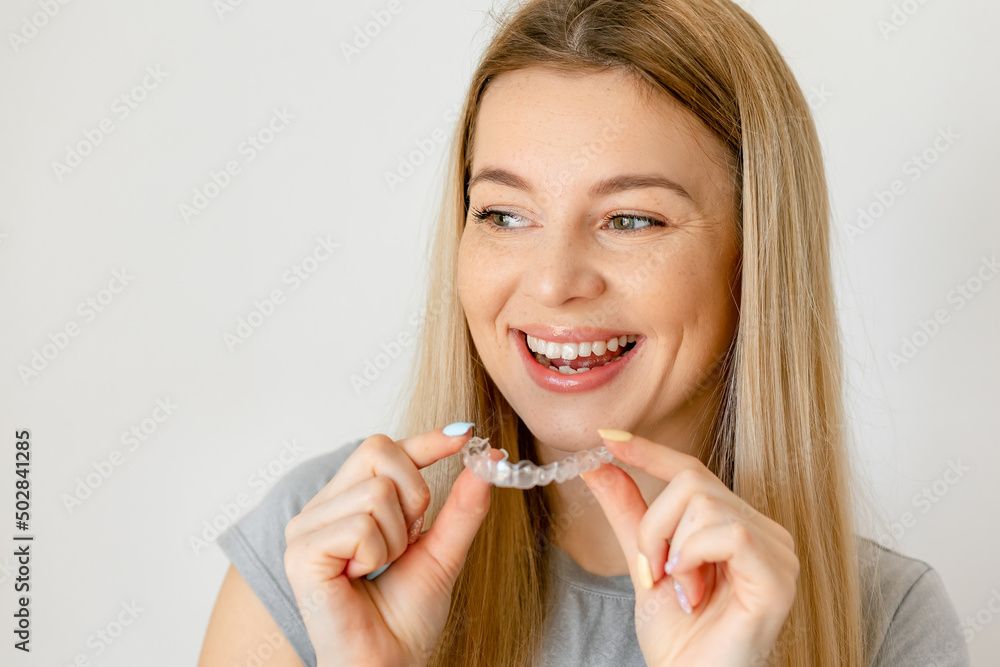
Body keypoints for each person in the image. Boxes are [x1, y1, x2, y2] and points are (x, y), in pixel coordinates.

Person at [198, 1, 971, 665]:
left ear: (755, 256)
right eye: (504, 213)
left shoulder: (887, 622)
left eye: (630, 218)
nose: (552, 280)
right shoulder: (322, 551)